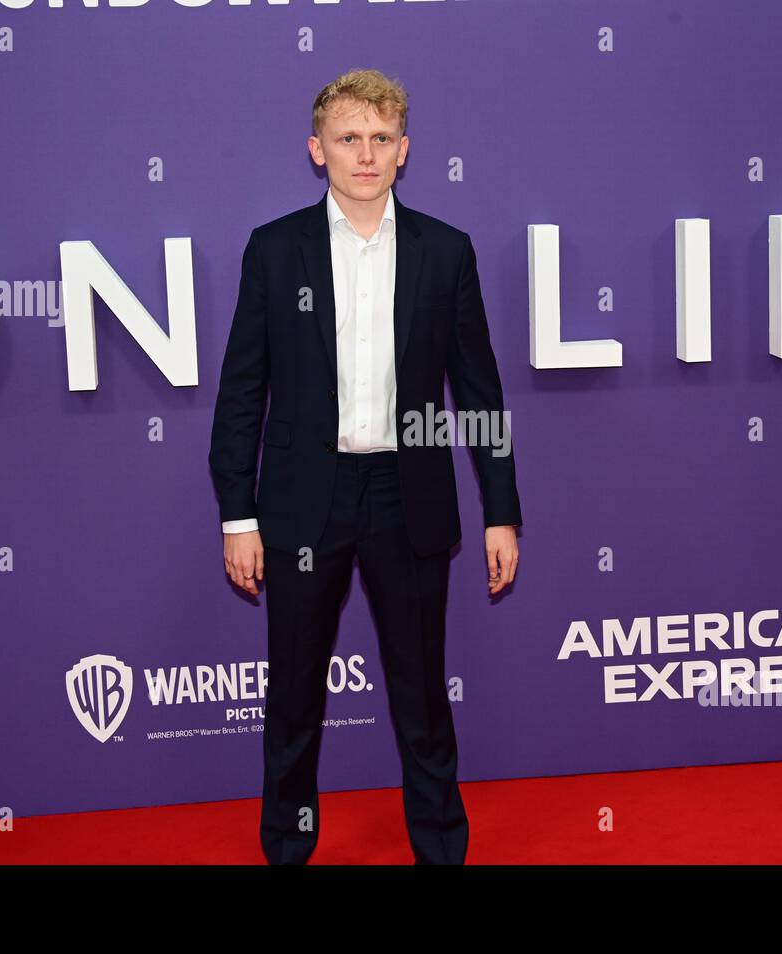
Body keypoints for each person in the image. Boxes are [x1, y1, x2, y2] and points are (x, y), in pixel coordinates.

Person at [208, 68, 523, 865]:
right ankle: (287, 846)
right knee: (294, 695)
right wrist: (236, 515)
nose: (366, 154)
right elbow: (242, 391)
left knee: (422, 694)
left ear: (405, 151)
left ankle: (441, 850)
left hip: (406, 494)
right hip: (301, 502)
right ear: (318, 150)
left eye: (382, 139)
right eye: (349, 138)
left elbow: (478, 388)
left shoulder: (445, 252)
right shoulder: (274, 251)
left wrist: (500, 509)